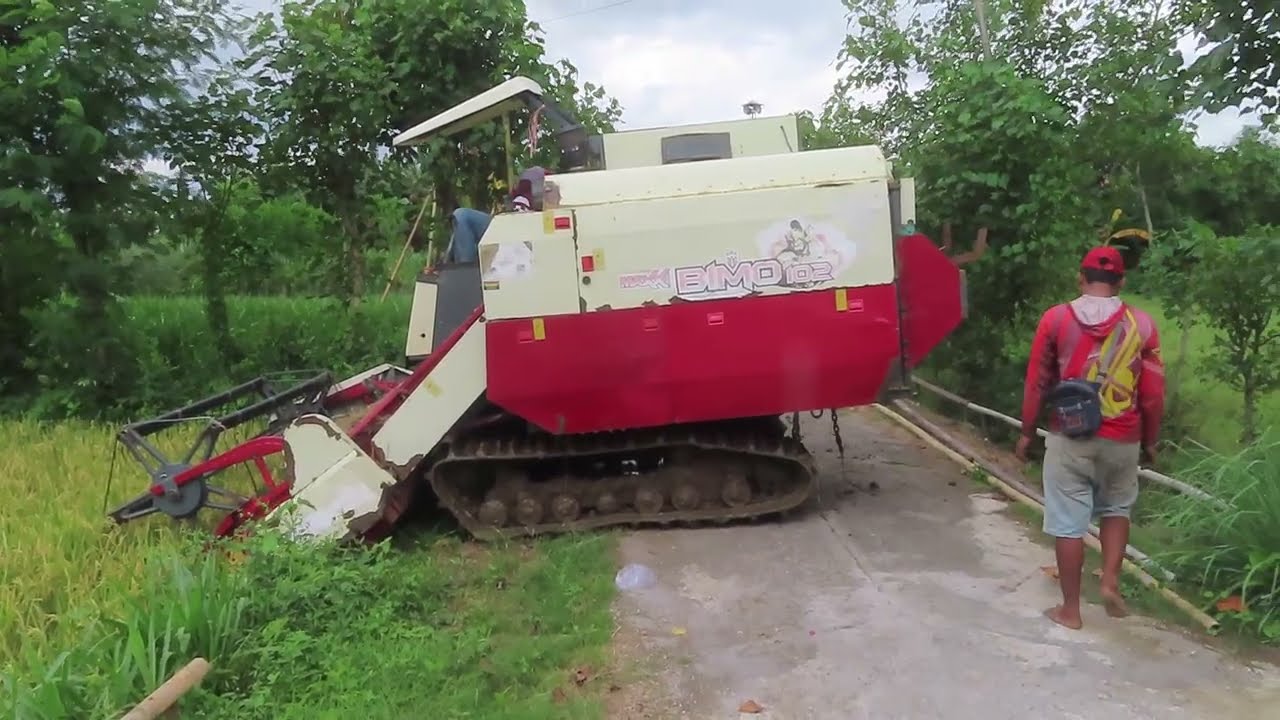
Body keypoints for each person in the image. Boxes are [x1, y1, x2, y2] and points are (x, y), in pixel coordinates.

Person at [1015, 245, 1165, 631]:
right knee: (1117, 508)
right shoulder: (1143, 325)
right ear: (1122, 282)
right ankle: (1111, 581)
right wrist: (1150, 441)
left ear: (1080, 278)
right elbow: (1152, 392)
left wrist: (1027, 431)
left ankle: (1070, 610)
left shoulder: (1056, 319)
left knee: (1068, 522)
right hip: (1124, 437)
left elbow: (1038, 381)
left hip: (1071, 435)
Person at [442, 167, 545, 263]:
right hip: (504, 228)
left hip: (530, 233)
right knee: (461, 215)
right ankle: (465, 271)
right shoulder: (515, 201)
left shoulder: (554, 201)